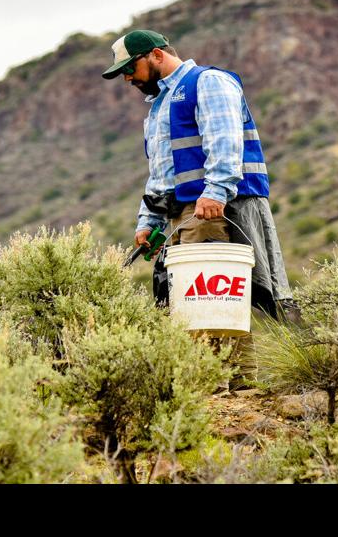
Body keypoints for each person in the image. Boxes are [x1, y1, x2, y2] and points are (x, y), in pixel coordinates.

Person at [102, 29, 300, 323]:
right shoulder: (160, 105)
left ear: (157, 55)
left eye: (131, 68)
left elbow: (225, 140)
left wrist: (216, 192)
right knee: (190, 316)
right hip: (182, 216)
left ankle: (235, 370)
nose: (128, 78)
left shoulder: (208, 82)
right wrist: (149, 220)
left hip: (209, 214)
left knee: (213, 315)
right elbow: (162, 172)